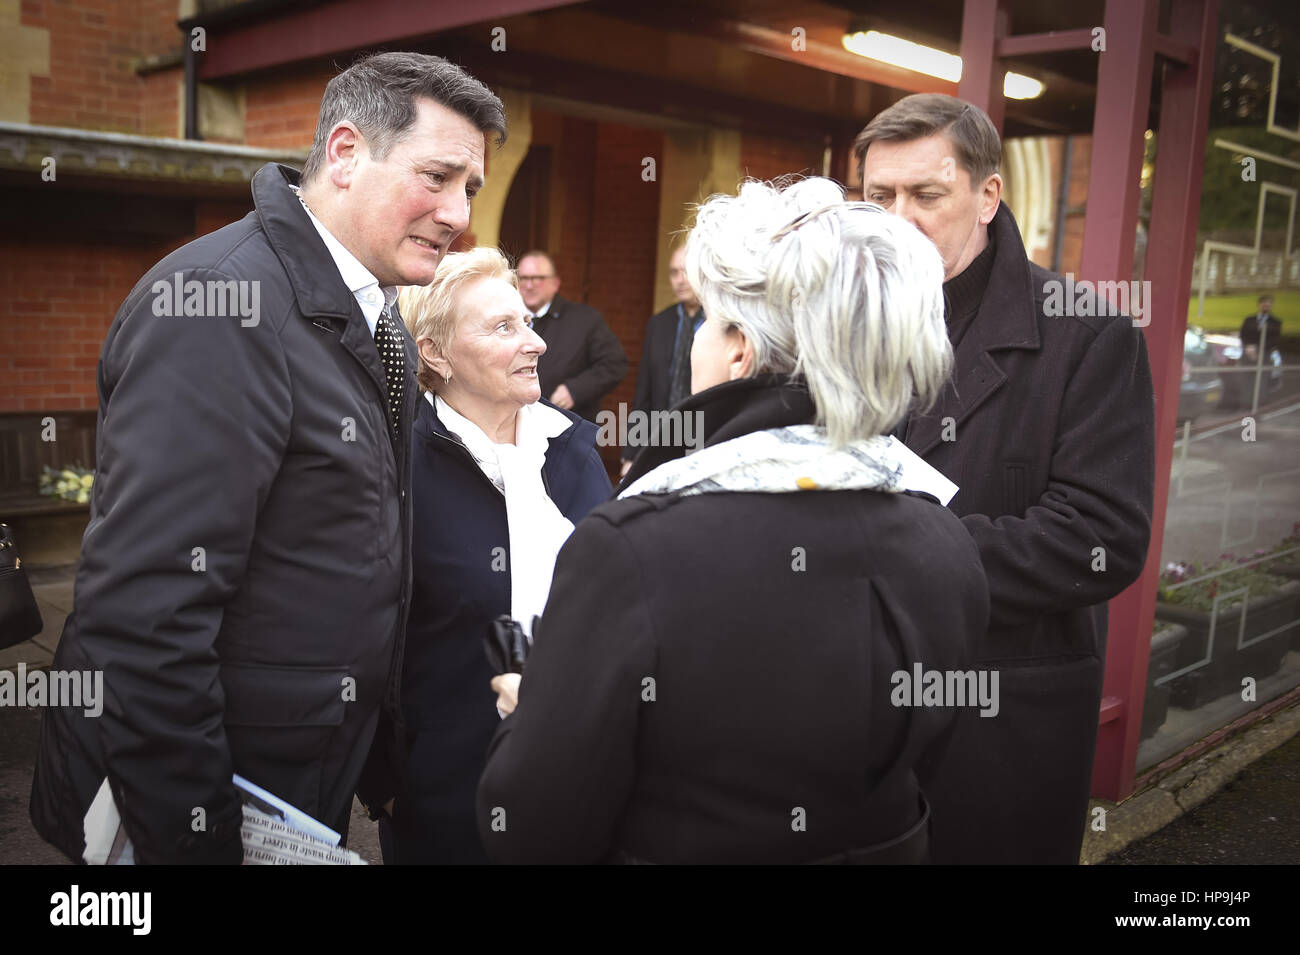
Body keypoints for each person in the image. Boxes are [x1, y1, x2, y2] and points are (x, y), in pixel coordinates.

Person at [28, 52, 507, 864]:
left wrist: (379, 755)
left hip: (296, 786)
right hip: (189, 800)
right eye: (440, 176)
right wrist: (197, 838)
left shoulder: (371, 305)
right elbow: (144, 617)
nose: (459, 212)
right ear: (347, 153)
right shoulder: (219, 309)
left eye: (472, 188)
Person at [476, 178, 990, 864]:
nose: (693, 347)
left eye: (711, 320)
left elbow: (526, 825)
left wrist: (526, 707)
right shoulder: (945, 537)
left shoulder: (632, 550)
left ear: (740, 349)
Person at [855, 93, 1155, 864]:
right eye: (879, 196)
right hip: (855, 714)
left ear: (988, 196)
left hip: (997, 725)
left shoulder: (1089, 334)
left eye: (927, 195)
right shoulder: (842, 326)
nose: (899, 217)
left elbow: (1102, 537)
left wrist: (898, 546)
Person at [381, 247, 610, 864]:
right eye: (502, 328)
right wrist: (385, 780)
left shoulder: (575, 453)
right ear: (434, 352)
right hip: (446, 796)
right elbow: (364, 633)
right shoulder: (396, 467)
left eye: (527, 322)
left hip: (573, 786)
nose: (533, 343)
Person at [619, 244, 705, 478]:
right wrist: (631, 454)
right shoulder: (659, 323)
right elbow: (643, 393)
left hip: (705, 439)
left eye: (686, 271)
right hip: (661, 439)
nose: (680, 280)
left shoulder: (721, 323)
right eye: (674, 272)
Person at [517, 250, 628, 422]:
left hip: (568, 427)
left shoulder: (585, 320)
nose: (529, 285)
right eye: (523, 278)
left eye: (537, 278)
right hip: (515, 425)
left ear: (555, 283)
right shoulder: (507, 322)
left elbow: (614, 365)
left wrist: (575, 390)